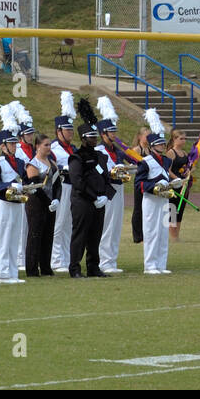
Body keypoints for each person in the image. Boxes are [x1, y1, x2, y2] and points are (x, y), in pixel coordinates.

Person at [68, 99, 112, 278]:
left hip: (98, 202)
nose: (95, 139)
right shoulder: (76, 158)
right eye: (91, 137)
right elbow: (78, 182)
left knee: (95, 236)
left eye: (96, 136)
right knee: (80, 235)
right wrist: (95, 197)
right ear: (84, 139)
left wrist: (106, 196)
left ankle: (93, 267)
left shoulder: (101, 156)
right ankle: (75, 268)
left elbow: (106, 178)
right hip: (83, 201)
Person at [136, 111, 181, 275]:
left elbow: (166, 176)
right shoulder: (145, 162)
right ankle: (150, 265)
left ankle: (161, 263)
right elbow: (139, 183)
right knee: (151, 232)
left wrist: (171, 184)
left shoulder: (167, 160)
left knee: (163, 232)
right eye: (160, 144)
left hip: (164, 200)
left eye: (163, 143)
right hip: (151, 200)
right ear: (153, 146)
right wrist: (155, 186)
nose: (163, 146)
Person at [0, 107, 28, 284]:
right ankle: (3, 274)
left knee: (14, 238)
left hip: (18, 203)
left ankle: (13, 273)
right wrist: (9, 185)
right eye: (10, 144)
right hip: (3, 203)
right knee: (4, 238)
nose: (14, 146)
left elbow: (25, 180)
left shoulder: (20, 162)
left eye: (14, 143)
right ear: (3, 146)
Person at [95, 98, 128, 274]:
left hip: (119, 188)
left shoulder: (116, 151)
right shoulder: (99, 151)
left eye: (115, 131)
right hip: (107, 190)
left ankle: (112, 260)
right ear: (103, 133)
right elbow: (100, 171)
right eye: (111, 132)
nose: (114, 135)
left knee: (116, 226)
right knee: (106, 225)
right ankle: (104, 261)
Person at [48, 94, 78, 273]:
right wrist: (62, 167)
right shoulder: (53, 147)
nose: (70, 133)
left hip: (74, 187)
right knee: (59, 224)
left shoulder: (73, 148)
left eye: (71, 130)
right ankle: (56, 259)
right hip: (61, 186)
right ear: (59, 131)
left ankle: (66, 258)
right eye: (67, 130)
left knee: (69, 224)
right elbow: (50, 165)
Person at [23, 133, 58, 278]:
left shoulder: (53, 163)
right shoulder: (33, 164)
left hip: (51, 204)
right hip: (36, 204)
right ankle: (32, 269)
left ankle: (45, 267)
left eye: (50, 144)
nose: (49, 147)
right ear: (37, 146)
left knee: (48, 235)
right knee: (35, 236)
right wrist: (48, 201)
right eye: (46, 145)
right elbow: (36, 187)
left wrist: (57, 199)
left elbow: (57, 184)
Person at [166, 129, 197, 241]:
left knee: (180, 211)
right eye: (181, 138)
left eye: (185, 139)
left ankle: (176, 236)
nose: (184, 141)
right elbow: (167, 170)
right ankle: (172, 236)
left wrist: (190, 171)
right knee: (172, 211)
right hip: (174, 185)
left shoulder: (184, 153)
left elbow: (187, 167)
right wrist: (178, 179)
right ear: (174, 139)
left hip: (184, 186)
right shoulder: (170, 153)